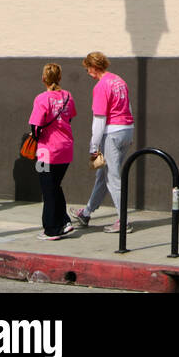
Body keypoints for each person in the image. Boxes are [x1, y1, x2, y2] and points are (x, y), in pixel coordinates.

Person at [71, 52, 134, 232]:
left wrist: (93, 146)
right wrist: (130, 132)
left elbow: (99, 119)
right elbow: (128, 106)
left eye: (87, 68)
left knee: (112, 178)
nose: (87, 71)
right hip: (126, 130)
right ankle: (87, 212)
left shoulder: (101, 86)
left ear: (93, 67)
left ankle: (123, 221)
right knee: (103, 175)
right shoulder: (119, 81)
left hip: (112, 133)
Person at [29, 63, 77, 241]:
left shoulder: (42, 98)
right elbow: (69, 117)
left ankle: (51, 228)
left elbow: (35, 126)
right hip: (65, 148)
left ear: (44, 79)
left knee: (47, 188)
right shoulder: (68, 96)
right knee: (55, 185)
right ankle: (64, 221)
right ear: (59, 77)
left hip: (45, 150)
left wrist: (36, 135)